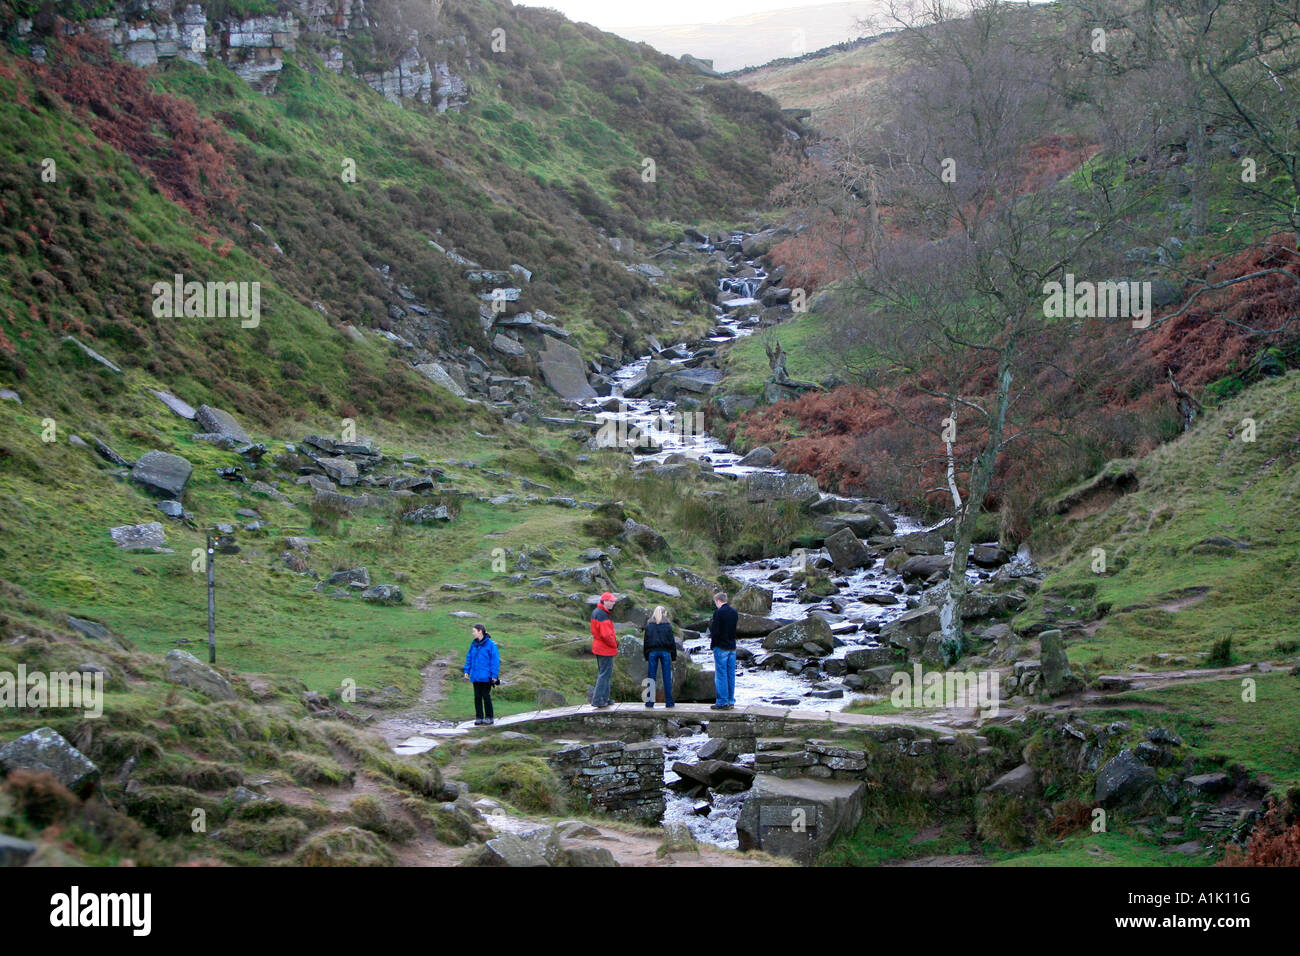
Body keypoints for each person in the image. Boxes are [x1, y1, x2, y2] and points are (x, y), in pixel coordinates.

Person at [462, 624, 500, 725]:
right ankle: (479, 717)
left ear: (480, 631)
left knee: (485, 696)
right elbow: (469, 657)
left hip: (486, 676)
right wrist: (467, 670)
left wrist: (494, 675)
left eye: (474, 631)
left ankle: (489, 717)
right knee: (477, 696)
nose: (473, 633)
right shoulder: (473, 644)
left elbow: (495, 661)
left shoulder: (491, 645)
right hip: (475, 676)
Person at [708, 591, 738, 710]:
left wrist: (713, 645)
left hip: (721, 646)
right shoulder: (734, 612)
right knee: (731, 674)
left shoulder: (718, 613)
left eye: (716, 602)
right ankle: (731, 700)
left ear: (718, 601)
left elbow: (715, 631)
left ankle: (722, 701)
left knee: (721, 675)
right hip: (732, 646)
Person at [642, 605, 677, 709]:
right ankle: (669, 702)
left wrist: (646, 656)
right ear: (664, 613)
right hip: (665, 653)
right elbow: (672, 642)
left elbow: (646, 642)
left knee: (651, 678)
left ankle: (649, 702)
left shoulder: (649, 626)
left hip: (652, 653)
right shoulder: (667, 626)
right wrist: (674, 657)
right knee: (667, 677)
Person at [590, 591, 619, 708]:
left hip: (599, 647)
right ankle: (597, 700)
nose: (613, 603)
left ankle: (604, 698)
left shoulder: (597, 612)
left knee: (605, 674)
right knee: (604, 674)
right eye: (611, 601)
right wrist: (615, 644)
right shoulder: (602, 615)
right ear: (605, 602)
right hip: (604, 649)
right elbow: (606, 635)